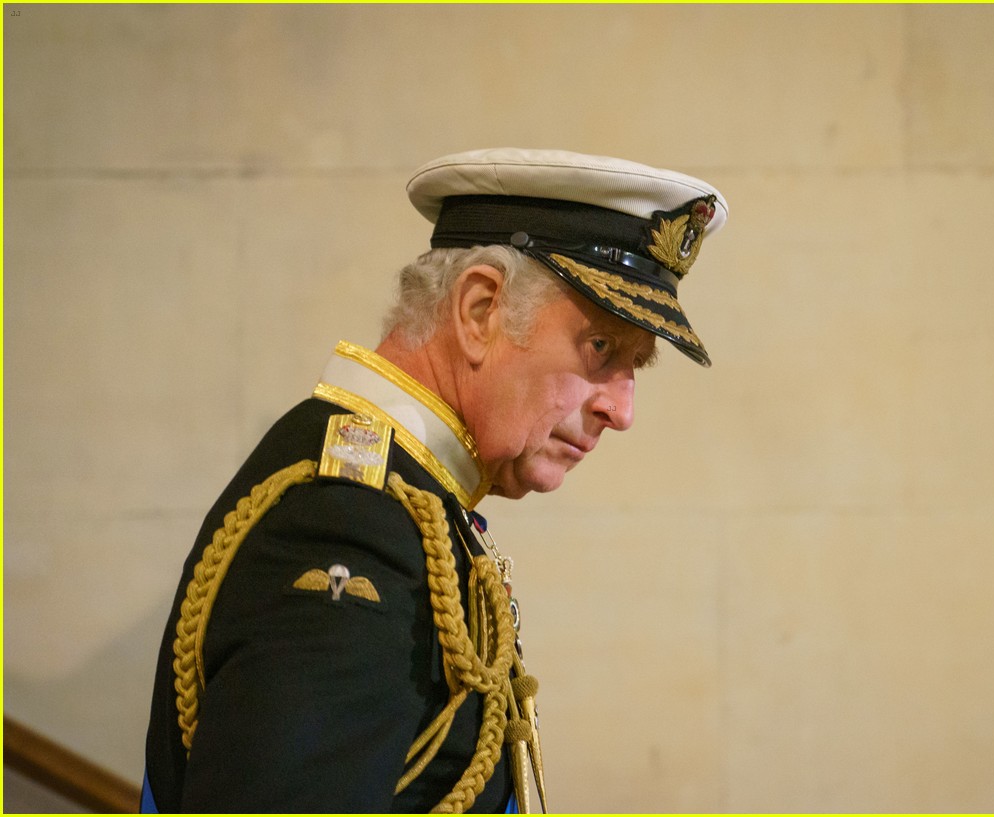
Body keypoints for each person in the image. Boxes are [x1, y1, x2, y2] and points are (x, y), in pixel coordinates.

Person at [141, 147, 728, 813]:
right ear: (481, 310)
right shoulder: (346, 522)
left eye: (635, 365)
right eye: (600, 348)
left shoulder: (403, 501)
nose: (621, 410)